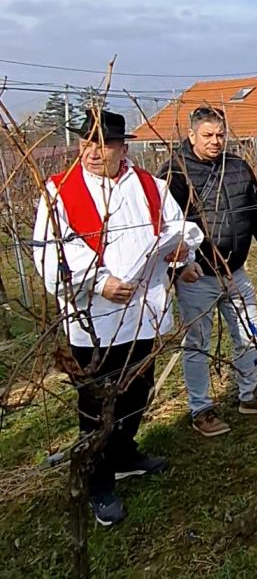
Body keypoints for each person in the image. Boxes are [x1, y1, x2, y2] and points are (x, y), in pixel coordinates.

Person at [33, 109, 203, 526]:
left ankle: (125, 453)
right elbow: (51, 250)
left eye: (102, 144)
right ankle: (98, 481)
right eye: (86, 143)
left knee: (137, 389)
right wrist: (98, 282)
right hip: (96, 318)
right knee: (97, 403)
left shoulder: (150, 185)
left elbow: (175, 228)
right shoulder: (60, 192)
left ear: (122, 147)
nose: (92, 152)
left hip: (144, 311)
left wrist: (183, 255)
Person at [159, 106, 257, 437]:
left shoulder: (239, 167)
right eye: (208, 135)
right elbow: (165, 227)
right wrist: (179, 266)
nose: (216, 141)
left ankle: (248, 393)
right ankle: (201, 408)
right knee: (197, 343)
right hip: (198, 276)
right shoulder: (176, 173)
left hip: (236, 271)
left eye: (220, 135)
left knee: (247, 332)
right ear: (192, 135)